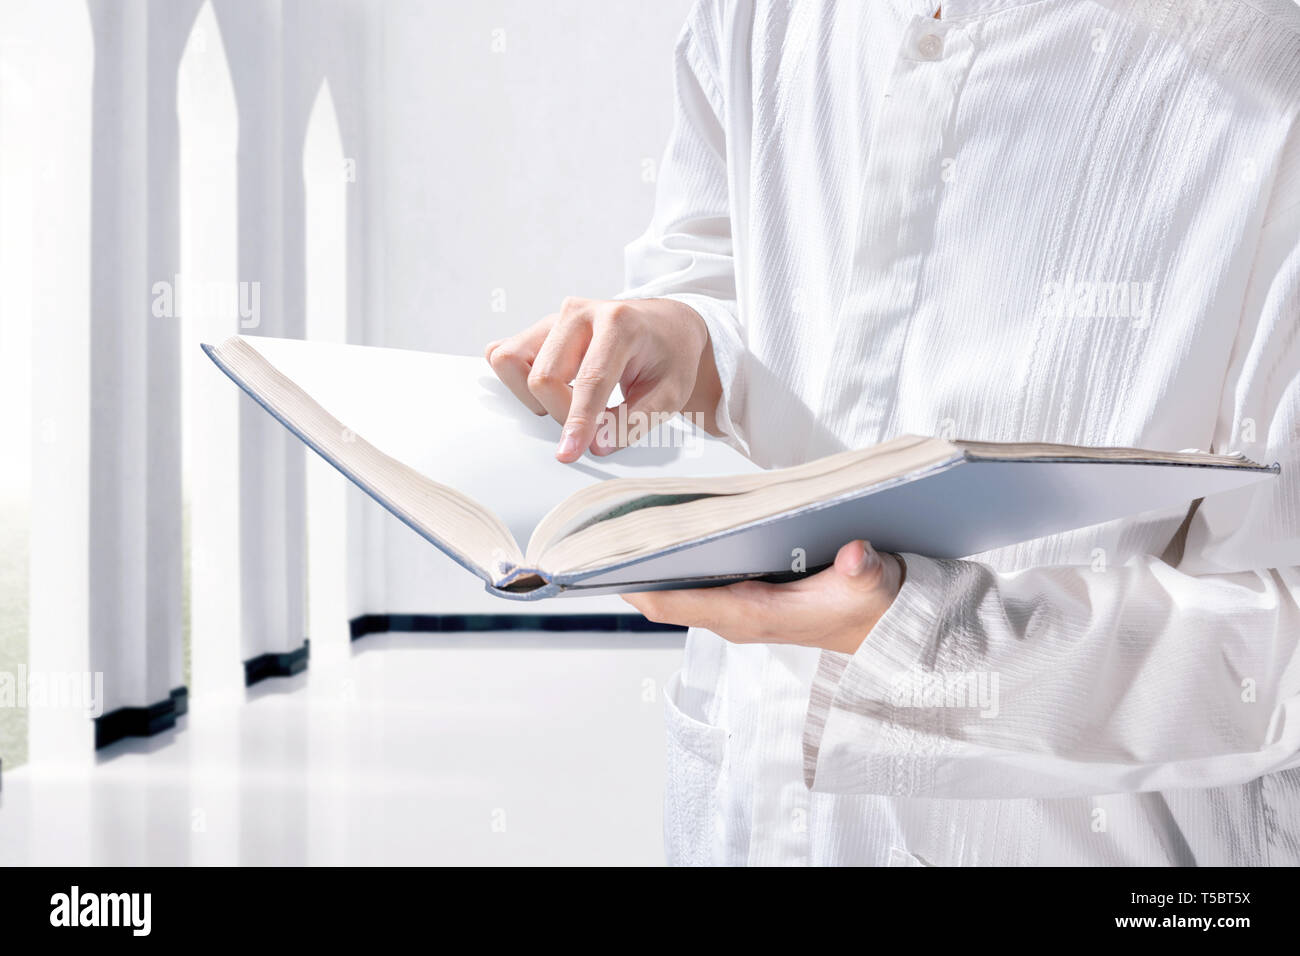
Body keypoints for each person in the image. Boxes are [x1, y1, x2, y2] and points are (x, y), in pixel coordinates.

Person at [485, 0, 1300, 865]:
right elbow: (731, 259)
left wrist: (939, 641)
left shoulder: (1265, 74)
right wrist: (687, 338)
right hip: (745, 816)